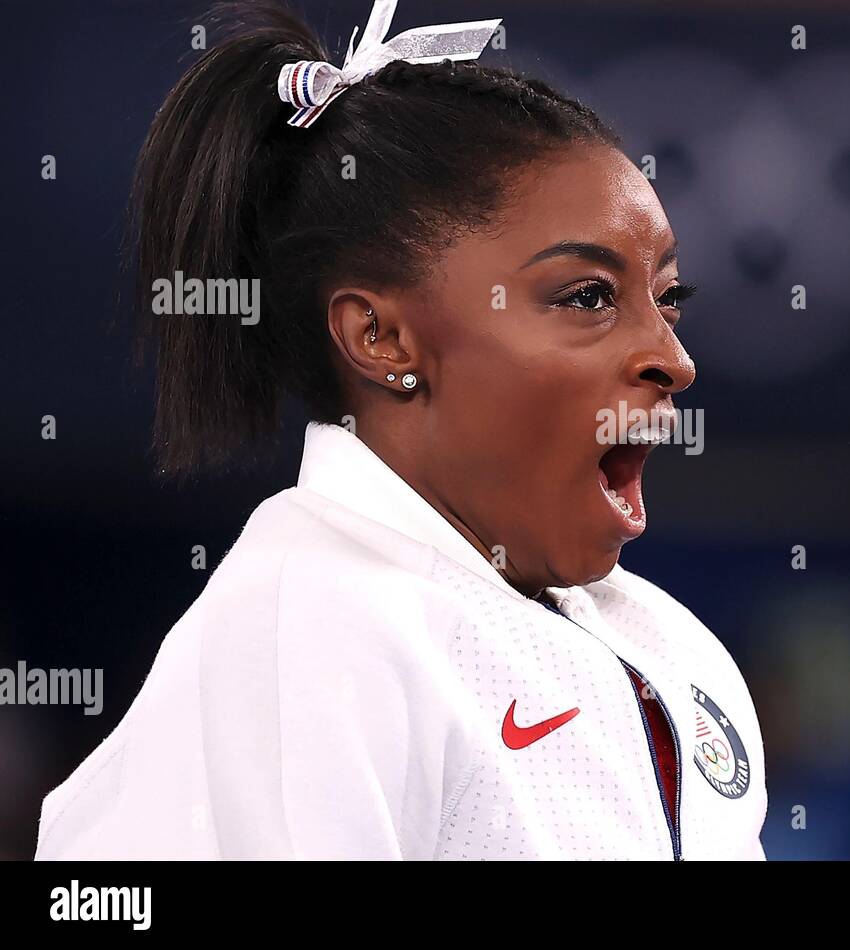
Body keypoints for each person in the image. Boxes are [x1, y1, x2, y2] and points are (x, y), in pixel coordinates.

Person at [33, 0, 767, 860]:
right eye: (588, 297)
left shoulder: (669, 643)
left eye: (667, 299)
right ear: (382, 339)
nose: (672, 358)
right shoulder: (309, 632)